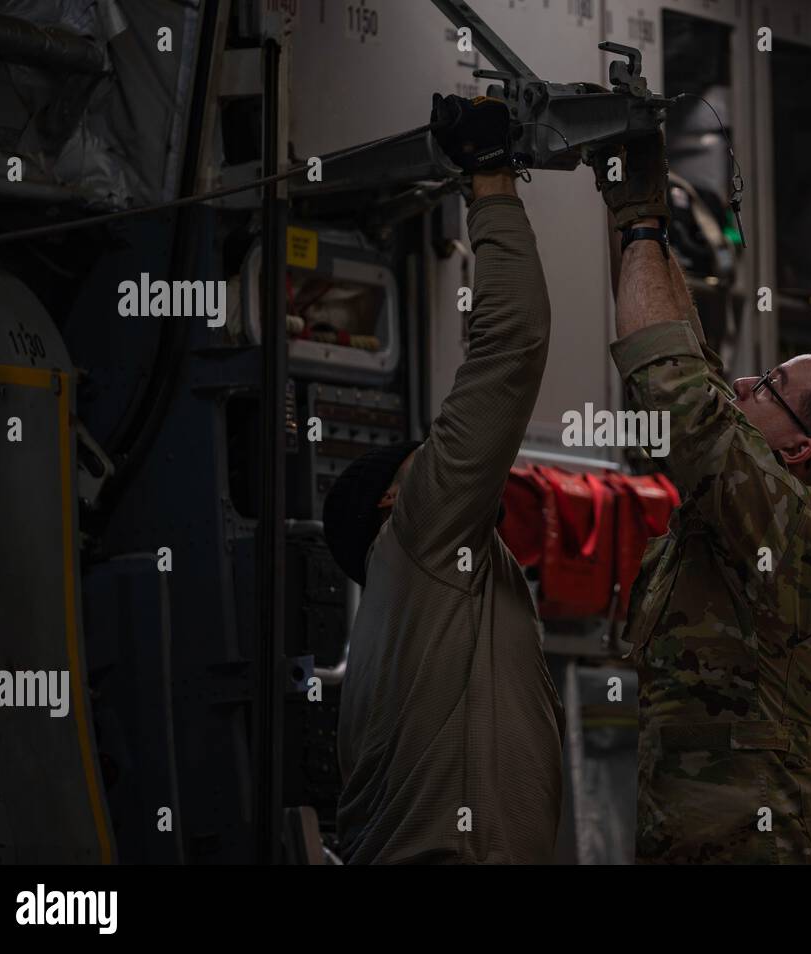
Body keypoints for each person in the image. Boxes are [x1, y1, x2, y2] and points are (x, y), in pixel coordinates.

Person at [591, 132, 811, 864]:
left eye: (769, 389)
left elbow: (676, 392)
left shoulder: (804, 531)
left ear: (798, 452)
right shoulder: (752, 501)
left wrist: (639, 226)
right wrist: (642, 218)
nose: (742, 385)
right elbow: (692, 367)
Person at [326, 95, 563, 864]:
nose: (443, 464)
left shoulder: (407, 602)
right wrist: (490, 182)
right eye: (419, 462)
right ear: (398, 498)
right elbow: (510, 343)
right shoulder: (423, 534)